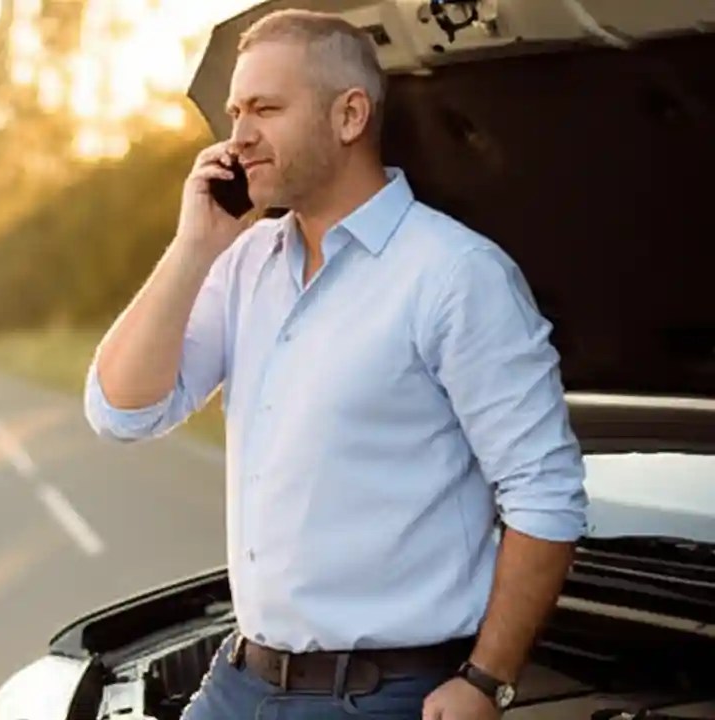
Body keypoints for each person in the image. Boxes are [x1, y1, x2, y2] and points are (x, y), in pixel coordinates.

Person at [83, 9, 588, 720]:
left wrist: (487, 679)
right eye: (235, 112)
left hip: (387, 698)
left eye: (266, 108)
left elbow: (546, 490)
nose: (239, 136)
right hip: (240, 681)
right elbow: (122, 412)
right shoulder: (243, 263)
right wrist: (194, 247)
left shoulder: (454, 274)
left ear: (349, 115)